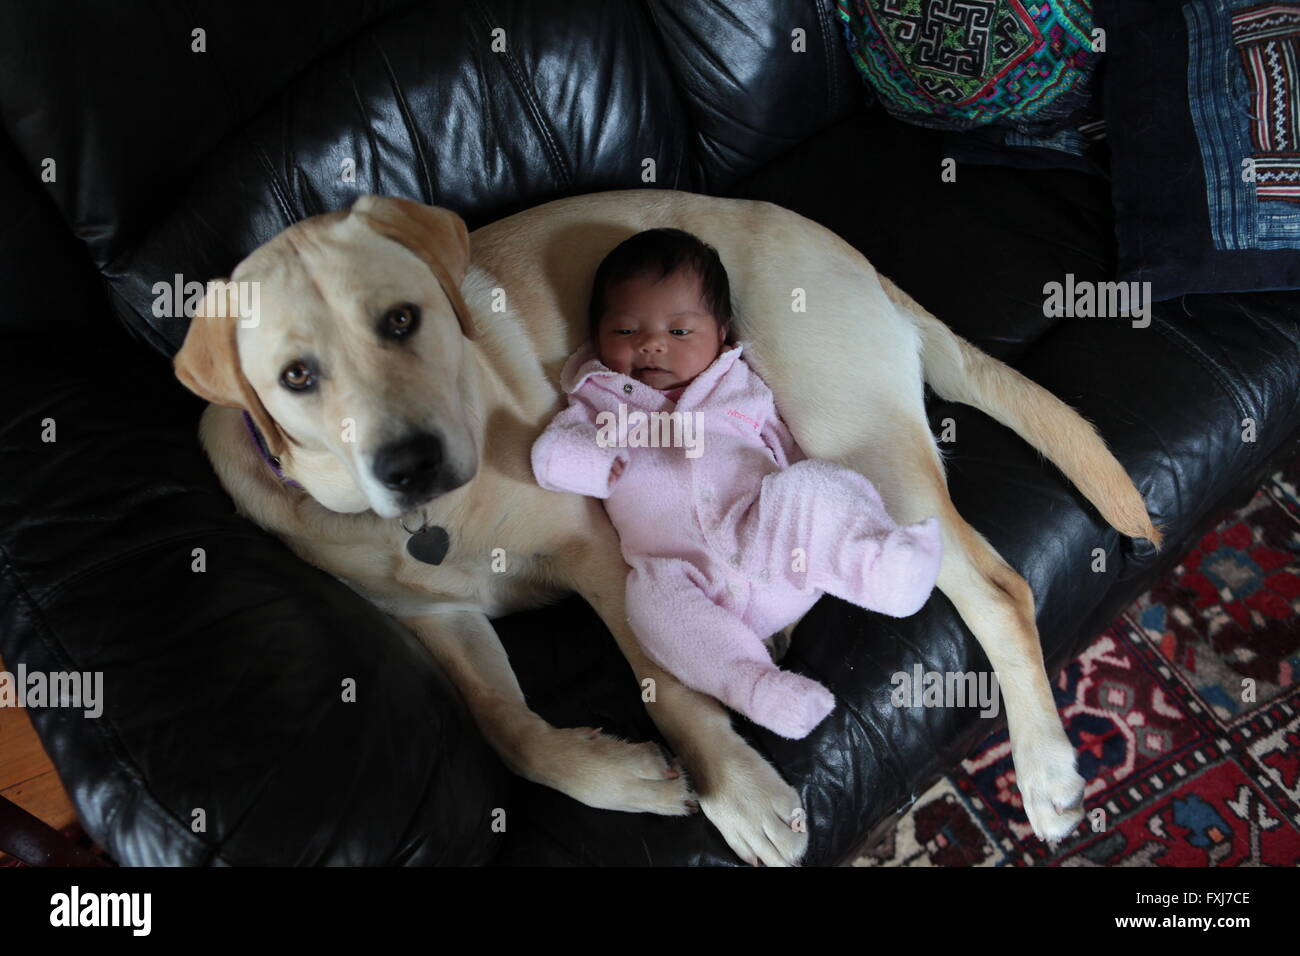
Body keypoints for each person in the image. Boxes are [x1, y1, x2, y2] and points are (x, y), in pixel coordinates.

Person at [530, 229, 942, 739]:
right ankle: (754, 685)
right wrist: (593, 462)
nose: (651, 343)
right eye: (625, 330)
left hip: (768, 542)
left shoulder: (738, 388)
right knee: (646, 605)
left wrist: (806, 508)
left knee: (813, 484)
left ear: (722, 335)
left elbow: (786, 448)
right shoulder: (597, 403)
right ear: (596, 337)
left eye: (679, 332)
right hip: (685, 580)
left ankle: (881, 570)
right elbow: (548, 456)